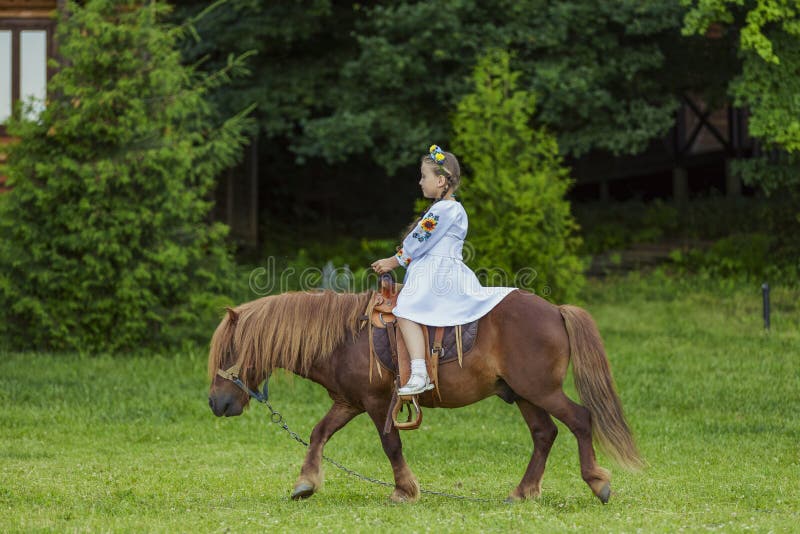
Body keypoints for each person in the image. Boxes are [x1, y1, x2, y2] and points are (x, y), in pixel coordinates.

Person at [371, 145, 516, 395]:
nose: (420, 182)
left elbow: (420, 238)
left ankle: (419, 372)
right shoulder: (446, 209)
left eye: (424, 176)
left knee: (404, 310)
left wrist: (395, 260)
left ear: (440, 180)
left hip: (438, 275)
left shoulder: (446, 209)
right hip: (432, 270)